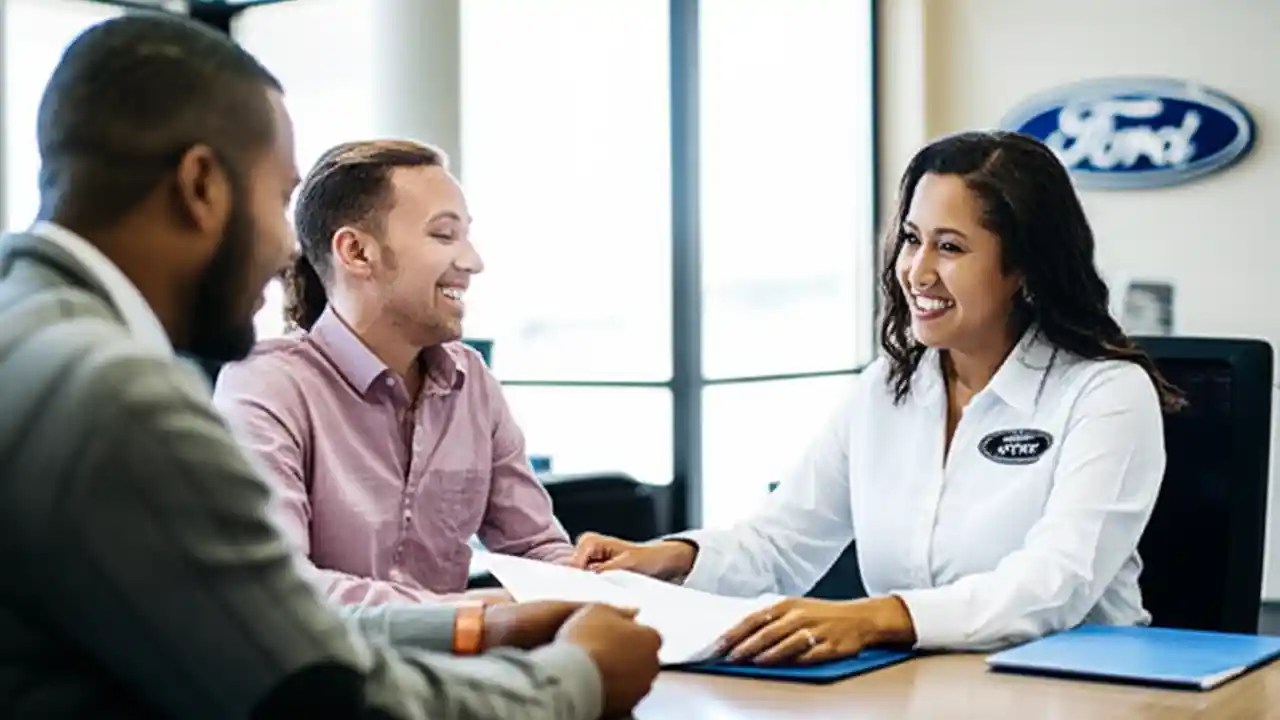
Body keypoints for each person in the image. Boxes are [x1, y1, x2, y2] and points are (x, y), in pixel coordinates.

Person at [0, 13, 659, 719]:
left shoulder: (32, 342)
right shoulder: (119, 394)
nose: (291, 246)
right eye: (281, 200)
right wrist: (576, 677)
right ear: (201, 185)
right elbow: (321, 694)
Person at [571, 130, 1184, 665]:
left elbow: (1054, 583)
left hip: (1083, 697)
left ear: (1024, 266)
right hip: (921, 687)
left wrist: (873, 617)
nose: (916, 271)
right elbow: (783, 541)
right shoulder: (886, 388)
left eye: (950, 247)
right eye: (912, 239)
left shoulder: (1105, 393)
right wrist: (669, 557)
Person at [212, 139, 572, 607]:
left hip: (447, 675)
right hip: (331, 676)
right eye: (444, 236)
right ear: (357, 252)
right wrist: (476, 615)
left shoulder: (472, 383)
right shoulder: (265, 385)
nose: (472, 261)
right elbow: (282, 588)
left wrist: (596, 588)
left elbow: (536, 549)